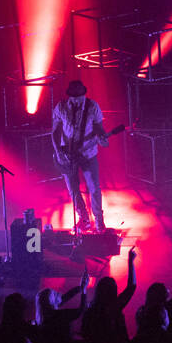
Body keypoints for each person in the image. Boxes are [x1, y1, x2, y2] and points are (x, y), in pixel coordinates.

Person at [51, 80, 111, 232]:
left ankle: (99, 221)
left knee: (94, 188)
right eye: (74, 96)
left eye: (80, 96)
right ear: (69, 95)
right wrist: (58, 152)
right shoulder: (61, 107)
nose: (77, 99)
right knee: (73, 190)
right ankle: (83, 219)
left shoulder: (92, 106)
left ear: (85, 94)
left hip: (88, 154)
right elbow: (55, 131)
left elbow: (99, 128)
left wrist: (102, 137)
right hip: (68, 156)